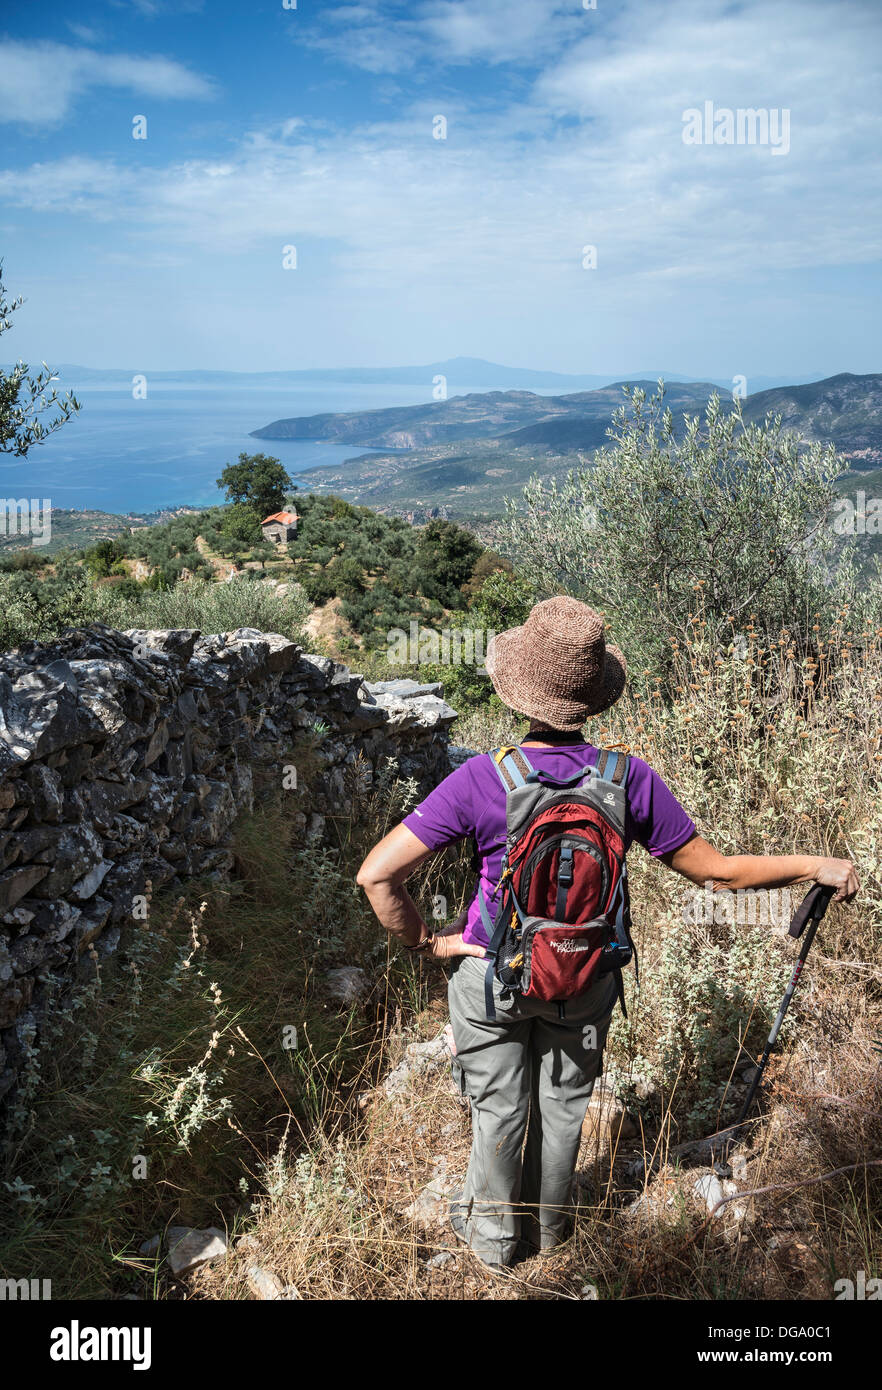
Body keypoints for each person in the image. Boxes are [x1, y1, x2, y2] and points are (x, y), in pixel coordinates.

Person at [356, 596, 860, 1269]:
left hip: (493, 974)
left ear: (520, 693)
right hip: (586, 977)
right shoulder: (628, 780)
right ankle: (552, 1235)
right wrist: (813, 864)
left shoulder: (482, 778)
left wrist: (432, 943)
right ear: (592, 699)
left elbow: (376, 876)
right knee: (564, 1107)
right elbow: (721, 876)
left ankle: (495, 1247)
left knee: (499, 1111)